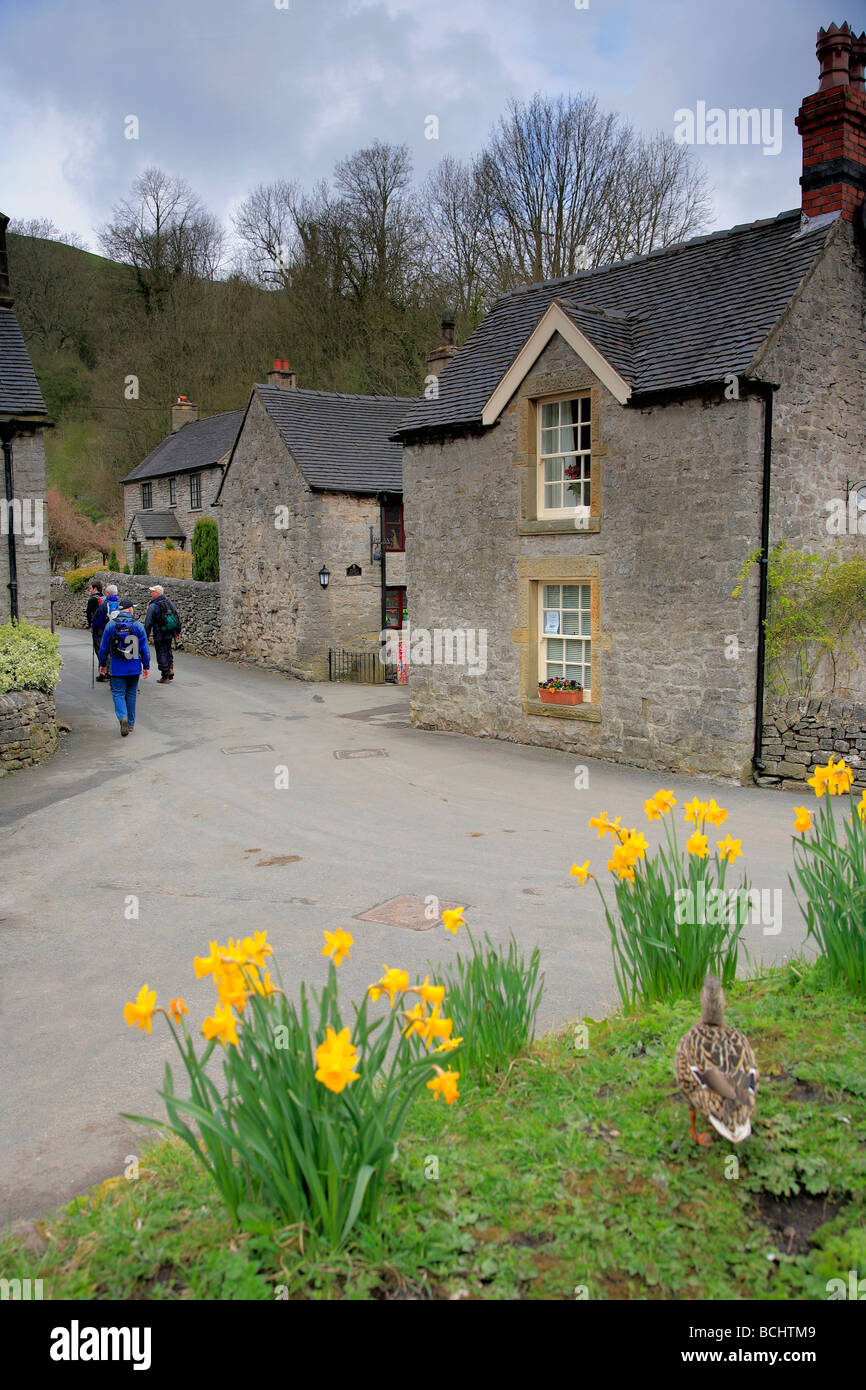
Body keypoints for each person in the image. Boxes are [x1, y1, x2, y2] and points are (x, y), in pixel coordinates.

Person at [98, 598, 150, 736]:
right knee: (131, 694)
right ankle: (131, 724)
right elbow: (144, 647)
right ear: (130, 609)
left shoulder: (110, 625)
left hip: (117, 666)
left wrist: (102, 664)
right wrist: (146, 665)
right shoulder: (138, 625)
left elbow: (103, 647)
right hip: (133, 666)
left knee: (118, 693)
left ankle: (122, 717)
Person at [144, 584, 181, 683]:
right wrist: (178, 631)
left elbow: (148, 622)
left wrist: (145, 635)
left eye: (152, 591)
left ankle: (165, 676)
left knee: (161, 653)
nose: (151, 593)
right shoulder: (170, 603)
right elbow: (177, 617)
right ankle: (170, 668)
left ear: (156, 593)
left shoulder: (153, 606)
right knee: (168, 650)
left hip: (159, 634)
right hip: (169, 632)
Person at [85, 580, 107, 680]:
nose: (90, 590)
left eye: (90, 588)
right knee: (106, 649)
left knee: (99, 649)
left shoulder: (92, 599)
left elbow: (89, 614)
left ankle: (103, 672)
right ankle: (107, 670)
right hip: (106, 626)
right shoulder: (105, 598)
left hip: (97, 628)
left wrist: (90, 626)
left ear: (95, 588)